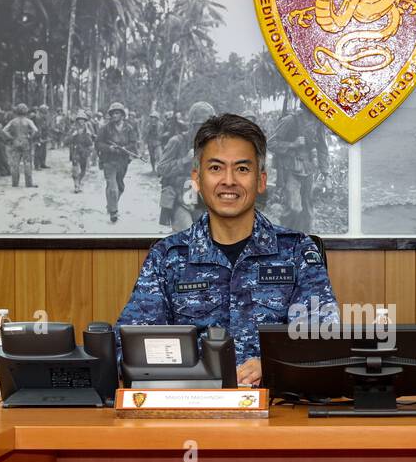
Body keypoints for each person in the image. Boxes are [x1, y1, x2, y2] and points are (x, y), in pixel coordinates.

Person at [117, 112, 339, 387]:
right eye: (216, 168)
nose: (229, 181)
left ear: (261, 180)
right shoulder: (168, 256)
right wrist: (193, 373)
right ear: (197, 180)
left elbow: (324, 340)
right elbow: (127, 348)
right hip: (190, 411)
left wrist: (272, 365)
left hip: (275, 408)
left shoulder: (296, 252)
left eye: (243, 169)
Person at [267, 100, 328, 233]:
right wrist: (292, 144)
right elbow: (271, 143)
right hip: (290, 168)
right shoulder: (290, 120)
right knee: (294, 208)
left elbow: (322, 148)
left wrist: (325, 172)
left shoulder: (318, 122)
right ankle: (285, 235)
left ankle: (305, 239)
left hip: (308, 168)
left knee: (307, 209)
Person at [155, 101, 215, 230]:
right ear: (192, 125)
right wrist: (184, 160)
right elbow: (160, 169)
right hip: (179, 200)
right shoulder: (177, 142)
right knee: (187, 235)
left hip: (201, 201)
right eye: (201, 126)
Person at [96, 101, 139, 224]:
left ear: (122, 115)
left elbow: (133, 143)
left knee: (120, 186)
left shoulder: (129, 128)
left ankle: (110, 204)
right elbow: (98, 143)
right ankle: (113, 212)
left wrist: (126, 148)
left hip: (123, 161)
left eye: (117, 113)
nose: (114, 115)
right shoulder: (105, 128)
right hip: (109, 160)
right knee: (112, 186)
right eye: (113, 113)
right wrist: (109, 148)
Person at [2, 103, 39, 189]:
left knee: (15, 163)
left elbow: (4, 130)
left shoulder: (13, 121)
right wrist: (30, 137)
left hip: (15, 142)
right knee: (27, 163)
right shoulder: (28, 121)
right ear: (26, 111)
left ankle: (15, 183)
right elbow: (35, 130)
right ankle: (29, 183)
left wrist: (11, 137)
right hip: (25, 141)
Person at [67, 109, 96, 194]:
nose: (81, 121)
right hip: (76, 150)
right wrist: (73, 135)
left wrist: (91, 140)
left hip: (85, 150)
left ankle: (79, 182)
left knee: (83, 170)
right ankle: (76, 185)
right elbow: (66, 140)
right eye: (80, 119)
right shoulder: (73, 128)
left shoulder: (88, 128)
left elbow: (92, 138)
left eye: (83, 119)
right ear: (77, 120)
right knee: (75, 169)